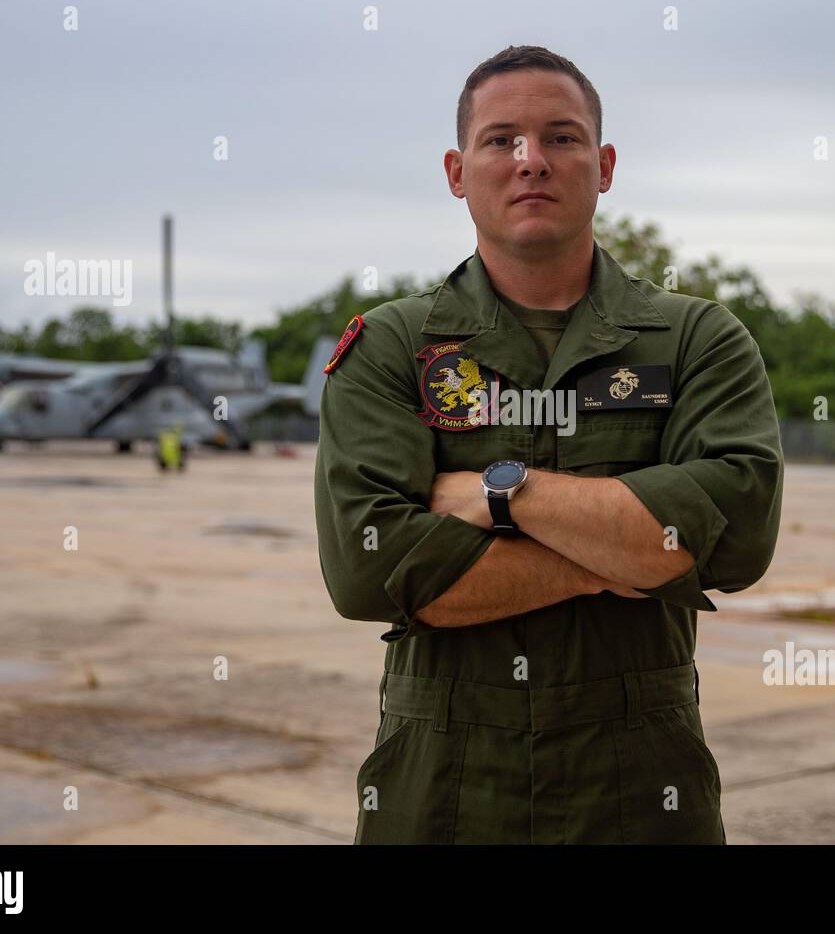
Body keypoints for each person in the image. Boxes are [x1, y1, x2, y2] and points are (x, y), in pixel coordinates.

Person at [314, 45, 783, 844]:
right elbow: (367, 570)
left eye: (561, 138)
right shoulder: (394, 344)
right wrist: (626, 561)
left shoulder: (695, 338)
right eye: (501, 141)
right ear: (458, 172)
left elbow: (734, 541)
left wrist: (499, 493)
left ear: (602, 166)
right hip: (440, 784)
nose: (531, 161)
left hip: (642, 785)